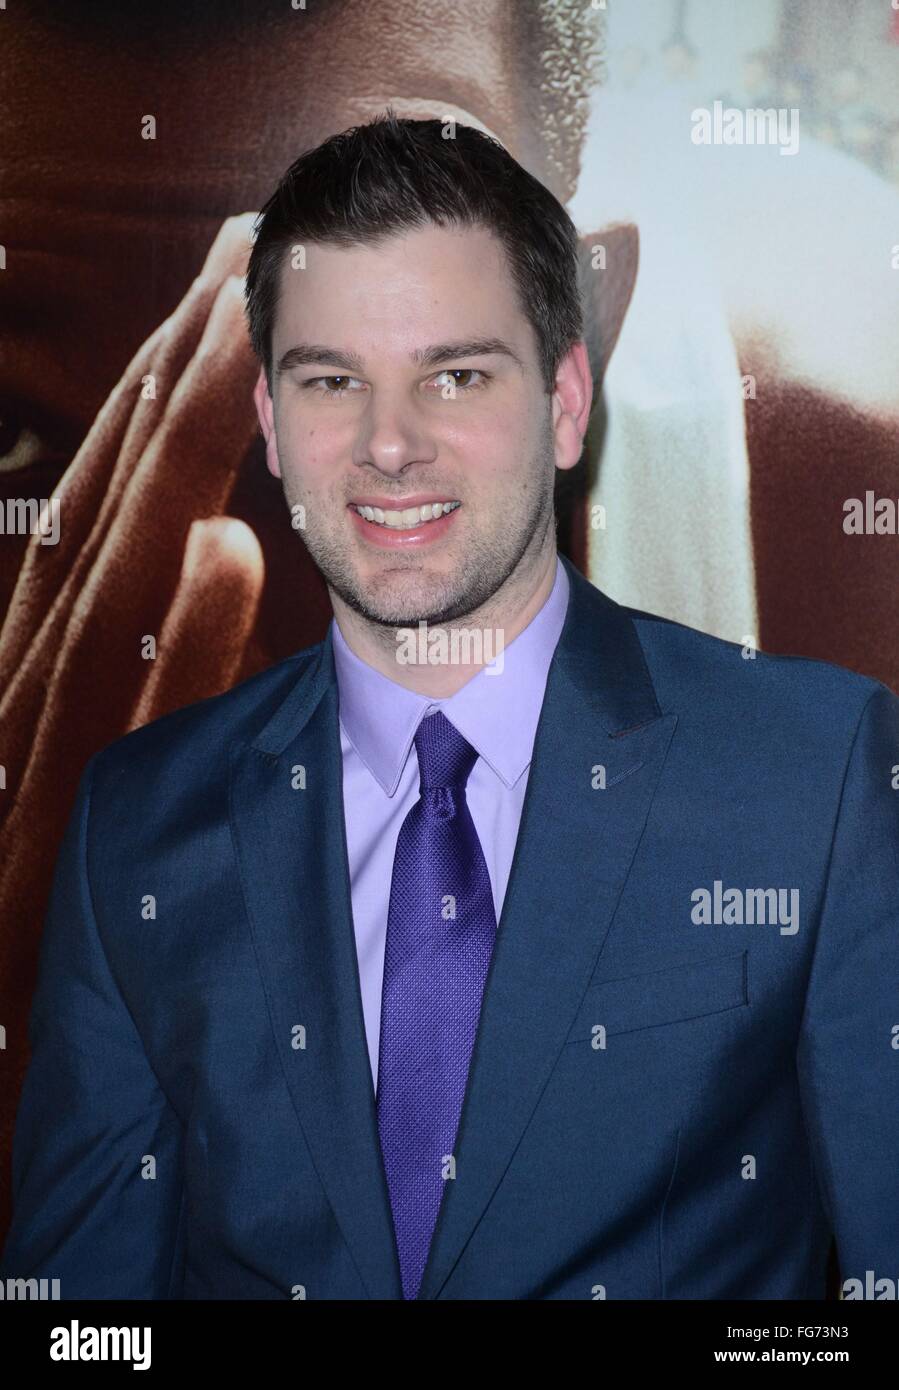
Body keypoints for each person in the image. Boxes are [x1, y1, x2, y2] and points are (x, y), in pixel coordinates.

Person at [2, 114, 897, 1301]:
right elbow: (83, 1330)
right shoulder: (135, 817)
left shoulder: (817, 771)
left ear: (570, 396)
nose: (388, 444)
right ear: (267, 420)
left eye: (456, 373)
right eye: (331, 381)